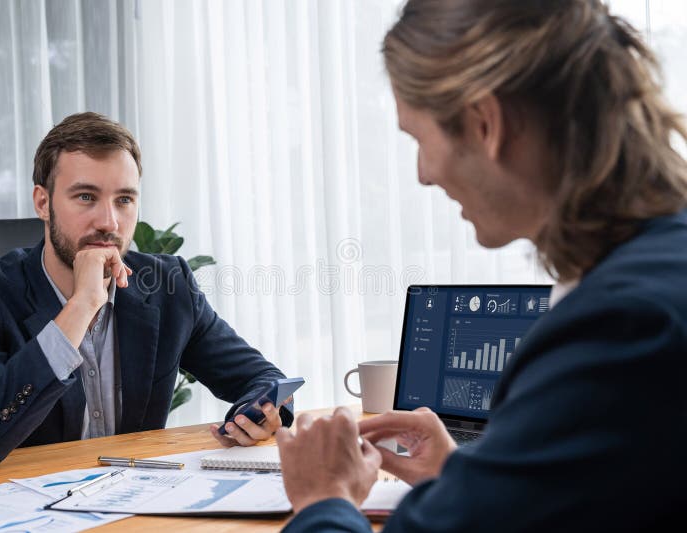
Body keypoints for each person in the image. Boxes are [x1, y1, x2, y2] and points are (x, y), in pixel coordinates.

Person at [277, 0, 687, 530]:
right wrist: (479, 477)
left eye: (419, 140)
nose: (424, 174)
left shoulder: (620, 330)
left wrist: (323, 498)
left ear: (485, 122)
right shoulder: (661, 271)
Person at [0, 112, 292, 470]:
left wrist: (257, 419)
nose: (108, 222)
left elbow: (267, 381)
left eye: (124, 200)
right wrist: (82, 305)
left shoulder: (168, 285)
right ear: (43, 203)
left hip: (133, 502)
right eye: (86, 197)